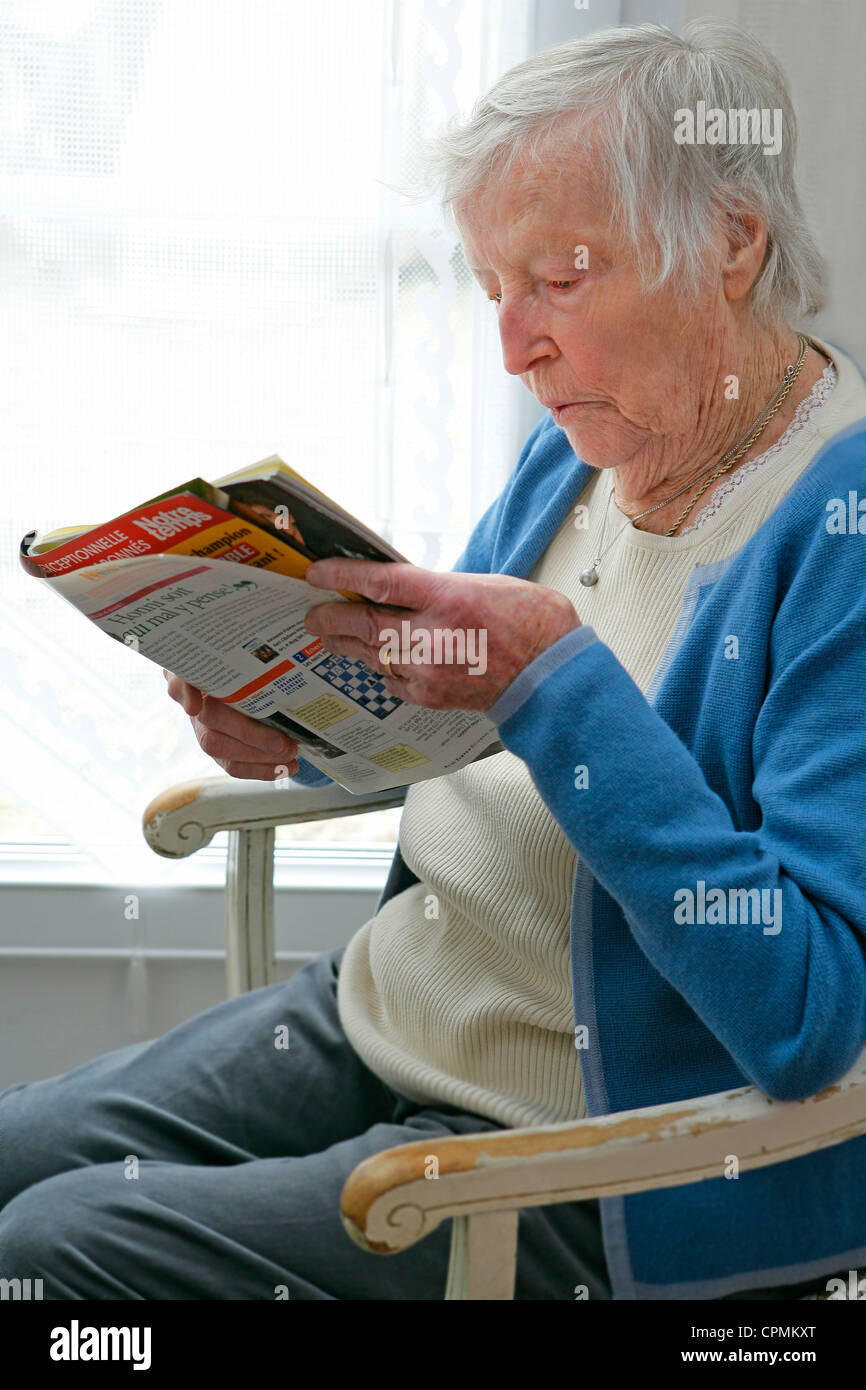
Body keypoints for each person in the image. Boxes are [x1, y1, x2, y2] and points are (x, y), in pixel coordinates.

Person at [2, 19, 865, 1300]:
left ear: (731, 243)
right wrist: (293, 731)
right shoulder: (584, 446)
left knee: (52, 1256)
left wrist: (557, 682)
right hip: (393, 1009)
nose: (516, 348)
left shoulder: (835, 530)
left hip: (582, 1148)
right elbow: (472, 728)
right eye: (493, 291)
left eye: (559, 281)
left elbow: (806, 1016)